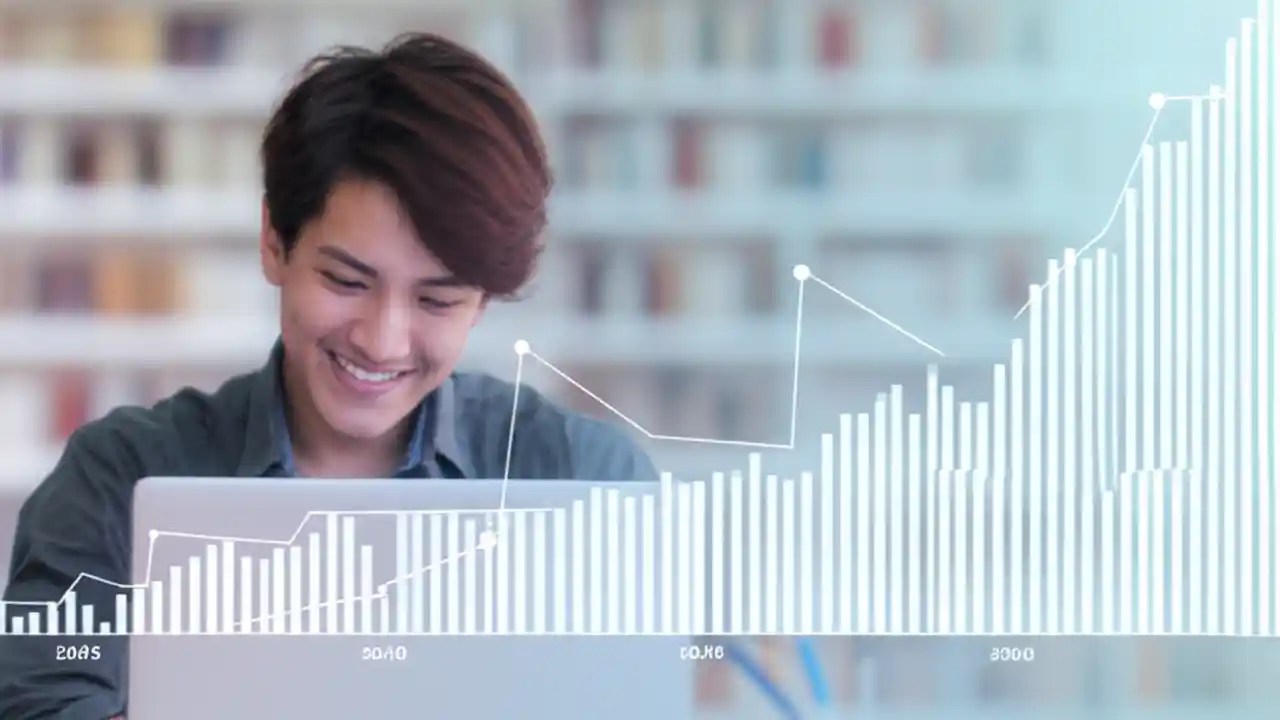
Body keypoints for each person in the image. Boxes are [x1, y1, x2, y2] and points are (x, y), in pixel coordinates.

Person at [0, 32, 656, 720]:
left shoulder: (586, 483)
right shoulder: (119, 480)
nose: (382, 339)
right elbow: (42, 703)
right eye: (346, 280)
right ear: (273, 242)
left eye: (437, 300)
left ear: (483, 300)